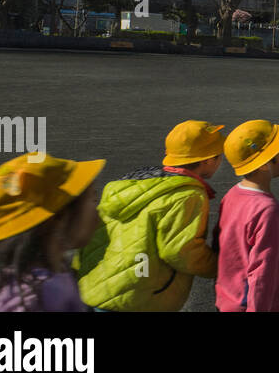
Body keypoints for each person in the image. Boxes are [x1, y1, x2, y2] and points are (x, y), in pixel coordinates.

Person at [77, 120, 225, 311]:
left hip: (96, 290)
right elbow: (180, 251)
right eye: (219, 156)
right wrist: (221, 266)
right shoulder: (187, 195)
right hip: (139, 298)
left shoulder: (131, 183)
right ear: (207, 160)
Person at [0, 153, 104, 312]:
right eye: (93, 199)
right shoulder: (32, 300)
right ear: (58, 217)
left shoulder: (43, 274)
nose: (98, 210)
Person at [216, 119, 279, 312]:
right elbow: (263, 271)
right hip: (253, 305)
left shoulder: (232, 195)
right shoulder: (268, 210)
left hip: (228, 300)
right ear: (264, 165)